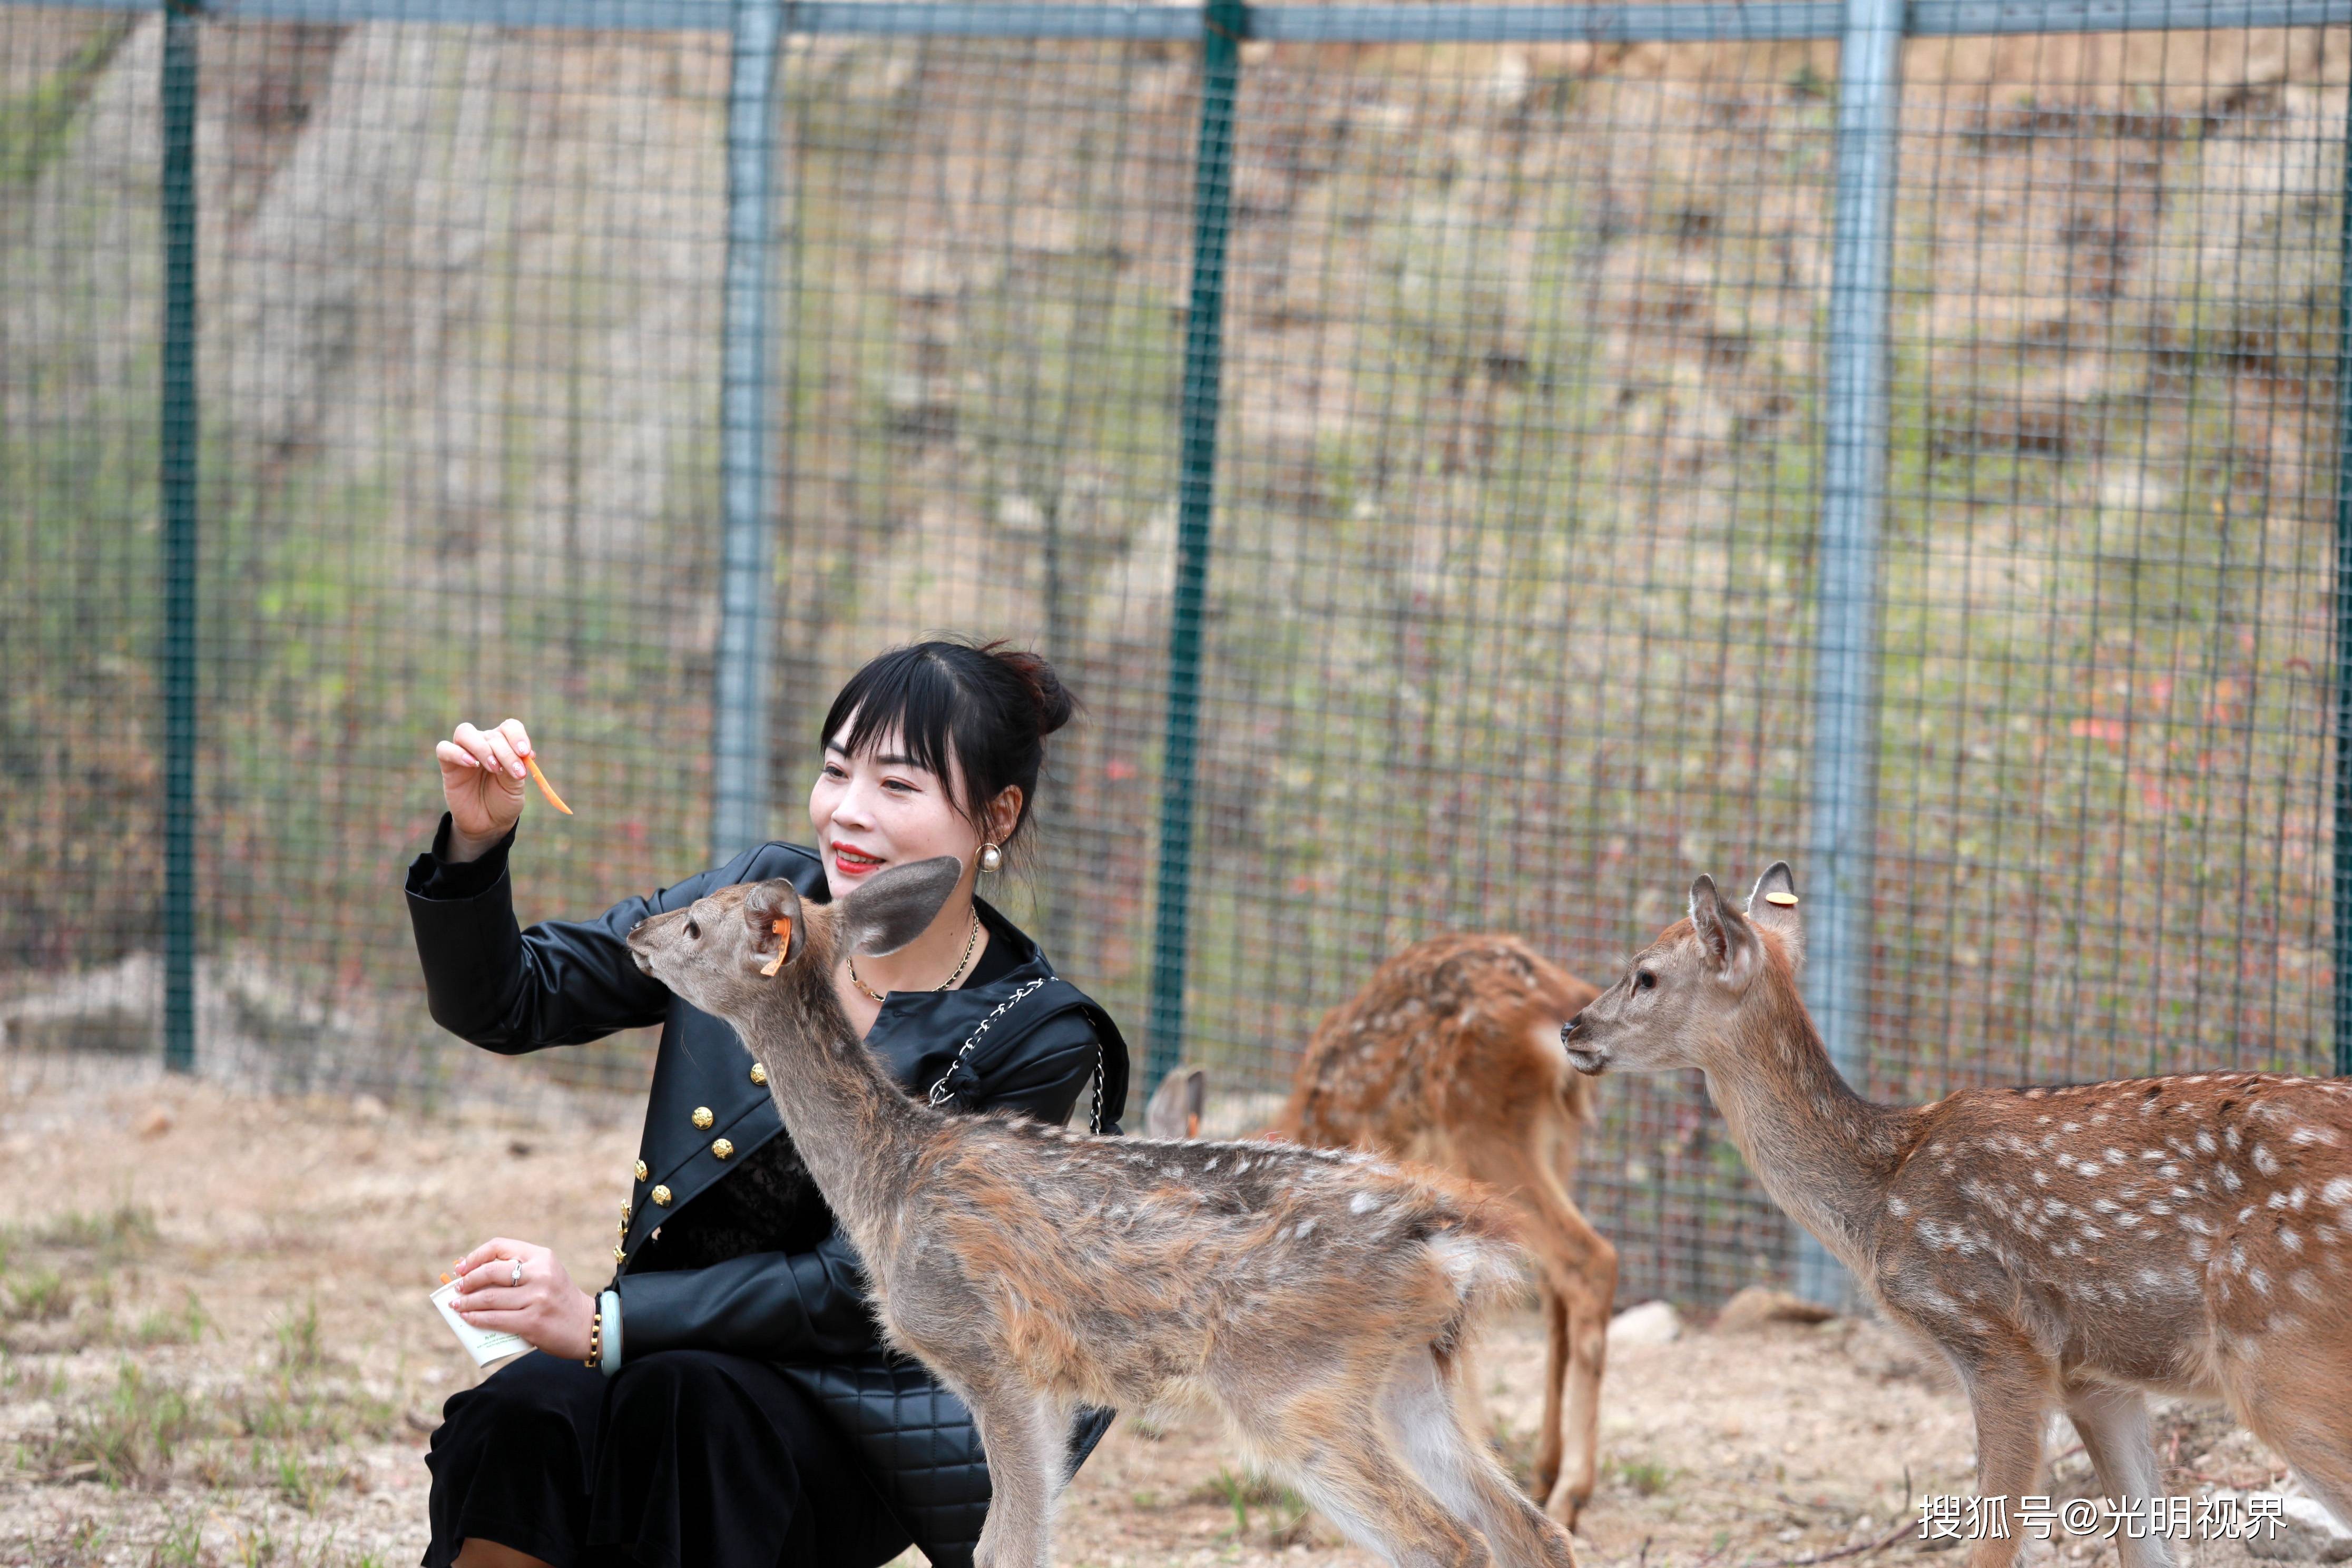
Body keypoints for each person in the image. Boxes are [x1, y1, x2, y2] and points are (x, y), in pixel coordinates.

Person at [407, 639, 1131, 1568]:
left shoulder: (1034, 1032)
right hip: (659, 1359)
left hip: (852, 1419)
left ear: (997, 815)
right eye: (837, 771)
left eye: (898, 787)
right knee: (522, 1415)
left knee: (686, 1414)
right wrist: (476, 843)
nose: (849, 814)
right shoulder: (759, 906)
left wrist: (606, 1324)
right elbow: (511, 1001)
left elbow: (859, 1281)